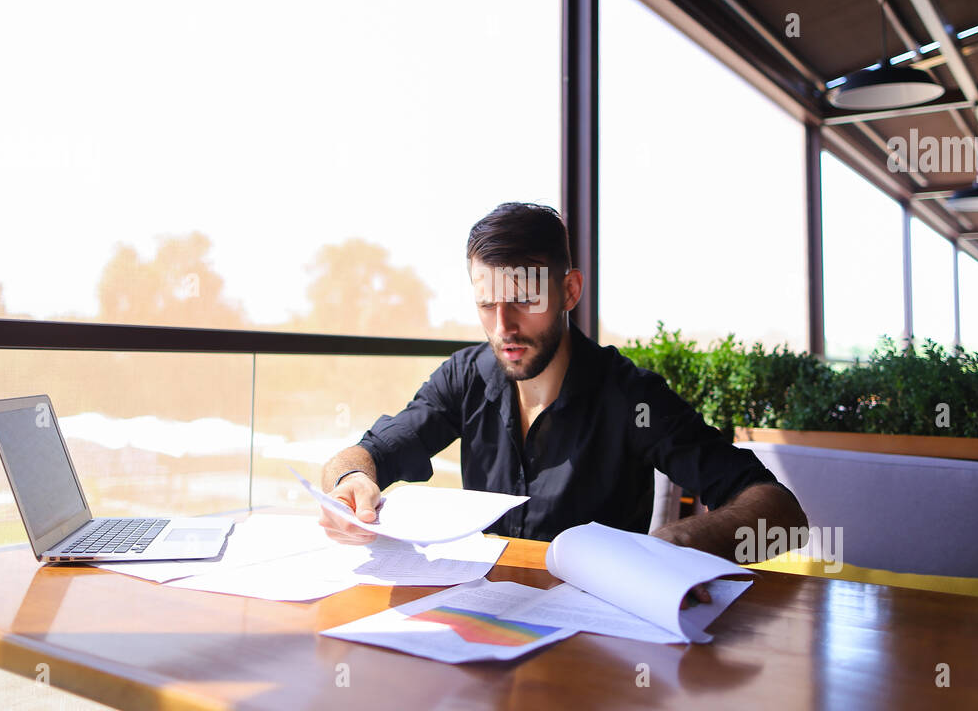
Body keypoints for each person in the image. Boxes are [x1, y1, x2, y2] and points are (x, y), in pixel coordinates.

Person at [318, 202, 808, 591]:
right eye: (487, 303)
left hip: (599, 642)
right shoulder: (464, 377)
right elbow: (368, 454)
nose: (503, 326)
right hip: (486, 619)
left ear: (569, 290)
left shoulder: (630, 397)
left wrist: (678, 543)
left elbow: (782, 515)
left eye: (525, 300)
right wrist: (349, 482)